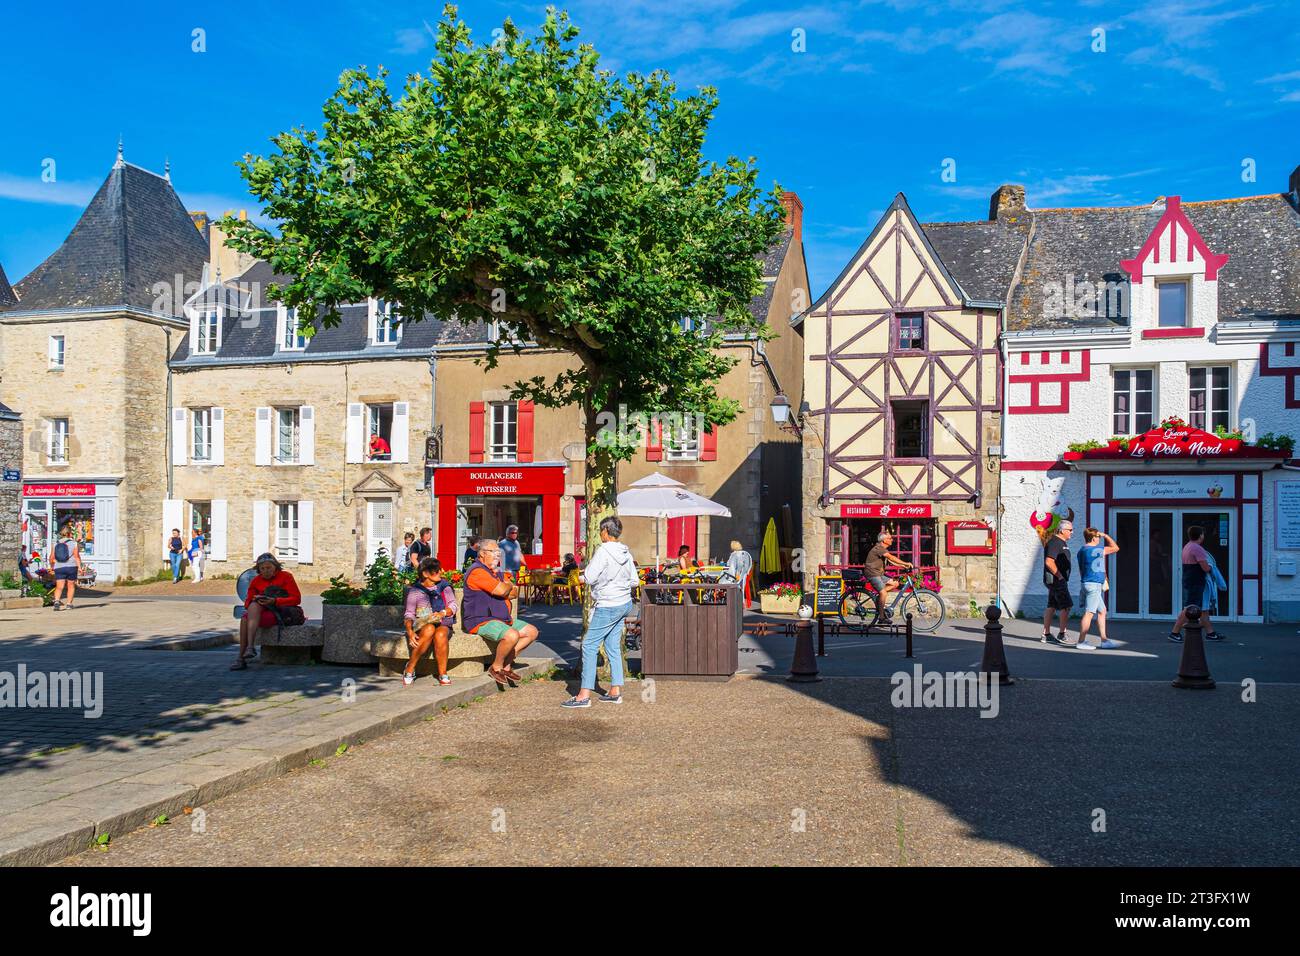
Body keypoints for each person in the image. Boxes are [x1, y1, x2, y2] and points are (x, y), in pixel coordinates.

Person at [563, 517, 640, 708]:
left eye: (600, 530)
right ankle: (615, 690)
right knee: (612, 645)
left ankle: (583, 695)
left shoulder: (603, 551)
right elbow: (635, 581)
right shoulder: (626, 552)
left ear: (606, 531)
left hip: (607, 603)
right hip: (624, 603)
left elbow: (589, 576)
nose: (599, 534)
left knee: (589, 646)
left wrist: (598, 582)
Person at [463, 539, 539, 686]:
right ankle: (496, 667)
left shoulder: (495, 572)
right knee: (512, 634)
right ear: (483, 554)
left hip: (501, 618)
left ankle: (506, 664)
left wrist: (505, 587)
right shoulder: (477, 571)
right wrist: (507, 585)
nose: (498, 555)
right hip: (481, 619)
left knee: (532, 632)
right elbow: (504, 590)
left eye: (499, 552)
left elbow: (514, 594)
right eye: (494, 552)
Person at [233, 553, 302, 670]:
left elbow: (296, 599)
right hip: (261, 610)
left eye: (269, 567)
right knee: (249, 612)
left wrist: (275, 601)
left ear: (275, 566)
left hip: (282, 611)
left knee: (245, 619)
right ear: (258, 569)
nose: (266, 571)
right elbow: (247, 602)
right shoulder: (256, 581)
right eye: (262, 568)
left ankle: (242, 656)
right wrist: (257, 599)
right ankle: (248, 649)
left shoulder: (286, 577)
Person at [402, 557, 457, 686]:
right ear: (426, 574)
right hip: (423, 625)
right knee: (429, 629)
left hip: (443, 622)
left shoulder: (444, 587)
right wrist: (410, 632)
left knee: (440, 634)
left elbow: (453, 606)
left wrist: (443, 612)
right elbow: (409, 614)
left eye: (439, 570)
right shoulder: (415, 591)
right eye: (436, 571)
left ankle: (442, 673)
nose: (440, 573)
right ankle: (410, 667)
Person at [1171, 527, 1225, 643]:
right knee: (1189, 608)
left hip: (1190, 580)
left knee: (1203, 609)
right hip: (1196, 582)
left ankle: (1210, 633)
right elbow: (1205, 568)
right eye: (1202, 534)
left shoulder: (1187, 546)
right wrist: (1212, 567)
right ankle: (1174, 632)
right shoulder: (1198, 549)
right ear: (1200, 535)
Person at [1075, 528, 1120, 649]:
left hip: (1087, 583)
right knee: (1089, 613)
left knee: (1102, 611)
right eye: (1098, 536)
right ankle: (1081, 641)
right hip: (1094, 585)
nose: (1099, 539)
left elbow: (1081, 569)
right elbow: (1116, 548)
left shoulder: (1081, 551)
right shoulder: (1098, 550)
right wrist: (1106, 535)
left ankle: (1104, 640)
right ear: (1094, 538)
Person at [864, 530, 912, 618]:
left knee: (895, 583)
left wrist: (902, 566)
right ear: (884, 540)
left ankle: (879, 599)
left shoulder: (883, 549)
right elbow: (891, 557)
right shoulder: (879, 548)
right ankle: (881, 617)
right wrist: (906, 563)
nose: (892, 540)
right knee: (883, 593)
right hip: (872, 574)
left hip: (879, 574)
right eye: (890, 538)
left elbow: (891, 561)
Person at [1041, 519, 1074, 645]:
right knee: (1066, 605)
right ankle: (1062, 634)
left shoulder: (1061, 542)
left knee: (1052, 606)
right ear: (1062, 530)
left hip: (1056, 580)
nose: (1072, 532)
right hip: (1056, 580)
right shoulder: (1055, 542)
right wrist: (1060, 576)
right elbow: (1049, 562)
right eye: (1070, 530)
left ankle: (1046, 634)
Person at [50, 523, 84, 611]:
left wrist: (52, 566)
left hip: (59, 567)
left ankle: (57, 601)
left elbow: (52, 557)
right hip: (71, 566)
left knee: (59, 586)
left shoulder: (56, 543)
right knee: (71, 585)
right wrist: (80, 568)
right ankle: (69, 604)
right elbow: (76, 556)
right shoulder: (74, 543)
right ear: (70, 533)